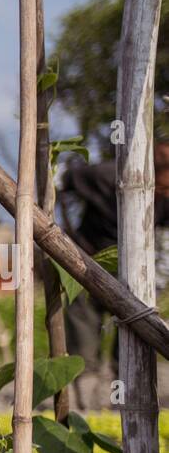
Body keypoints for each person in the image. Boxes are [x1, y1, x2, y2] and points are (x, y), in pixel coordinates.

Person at [56, 142, 169, 399]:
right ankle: (85, 399)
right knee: (83, 328)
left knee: (133, 334)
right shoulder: (106, 176)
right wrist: (59, 236)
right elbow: (61, 178)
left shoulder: (165, 196)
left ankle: (126, 397)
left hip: (133, 273)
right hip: (86, 263)